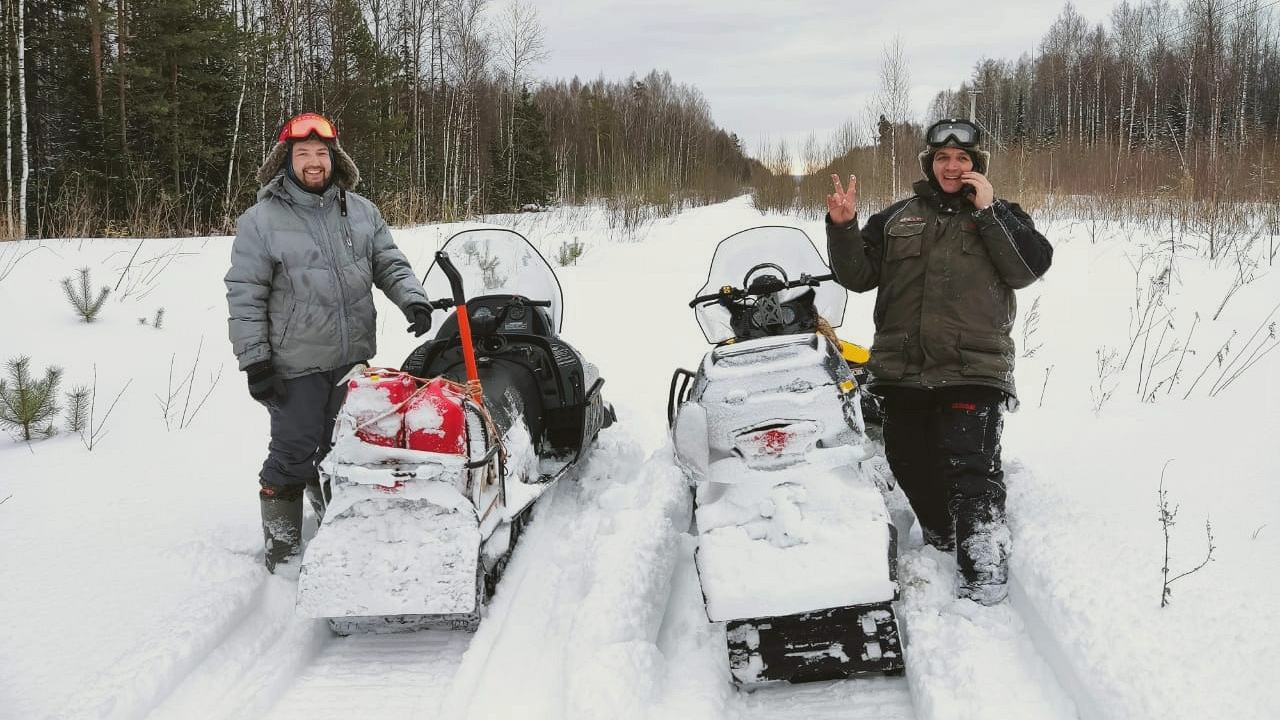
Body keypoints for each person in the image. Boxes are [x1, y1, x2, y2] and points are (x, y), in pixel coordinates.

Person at [824, 118, 1052, 605]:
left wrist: (989, 213)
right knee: (907, 459)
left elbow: (1028, 267)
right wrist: (843, 227)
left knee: (972, 468)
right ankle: (942, 533)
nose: (952, 166)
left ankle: (984, 565)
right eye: (943, 159)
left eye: (962, 159)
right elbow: (858, 275)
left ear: (977, 166)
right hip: (903, 368)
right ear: (930, 163)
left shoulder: (1004, 215)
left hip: (973, 368)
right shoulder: (898, 217)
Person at [225, 112, 435, 574]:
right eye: (303, 154)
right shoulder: (261, 222)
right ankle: (282, 553)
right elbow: (245, 295)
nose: (313, 162)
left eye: (321, 153)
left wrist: (413, 301)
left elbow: (388, 262)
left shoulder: (361, 211)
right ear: (286, 160)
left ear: (334, 158)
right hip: (294, 363)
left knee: (344, 448)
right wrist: (256, 362)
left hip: (352, 358)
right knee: (293, 451)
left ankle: (337, 529)